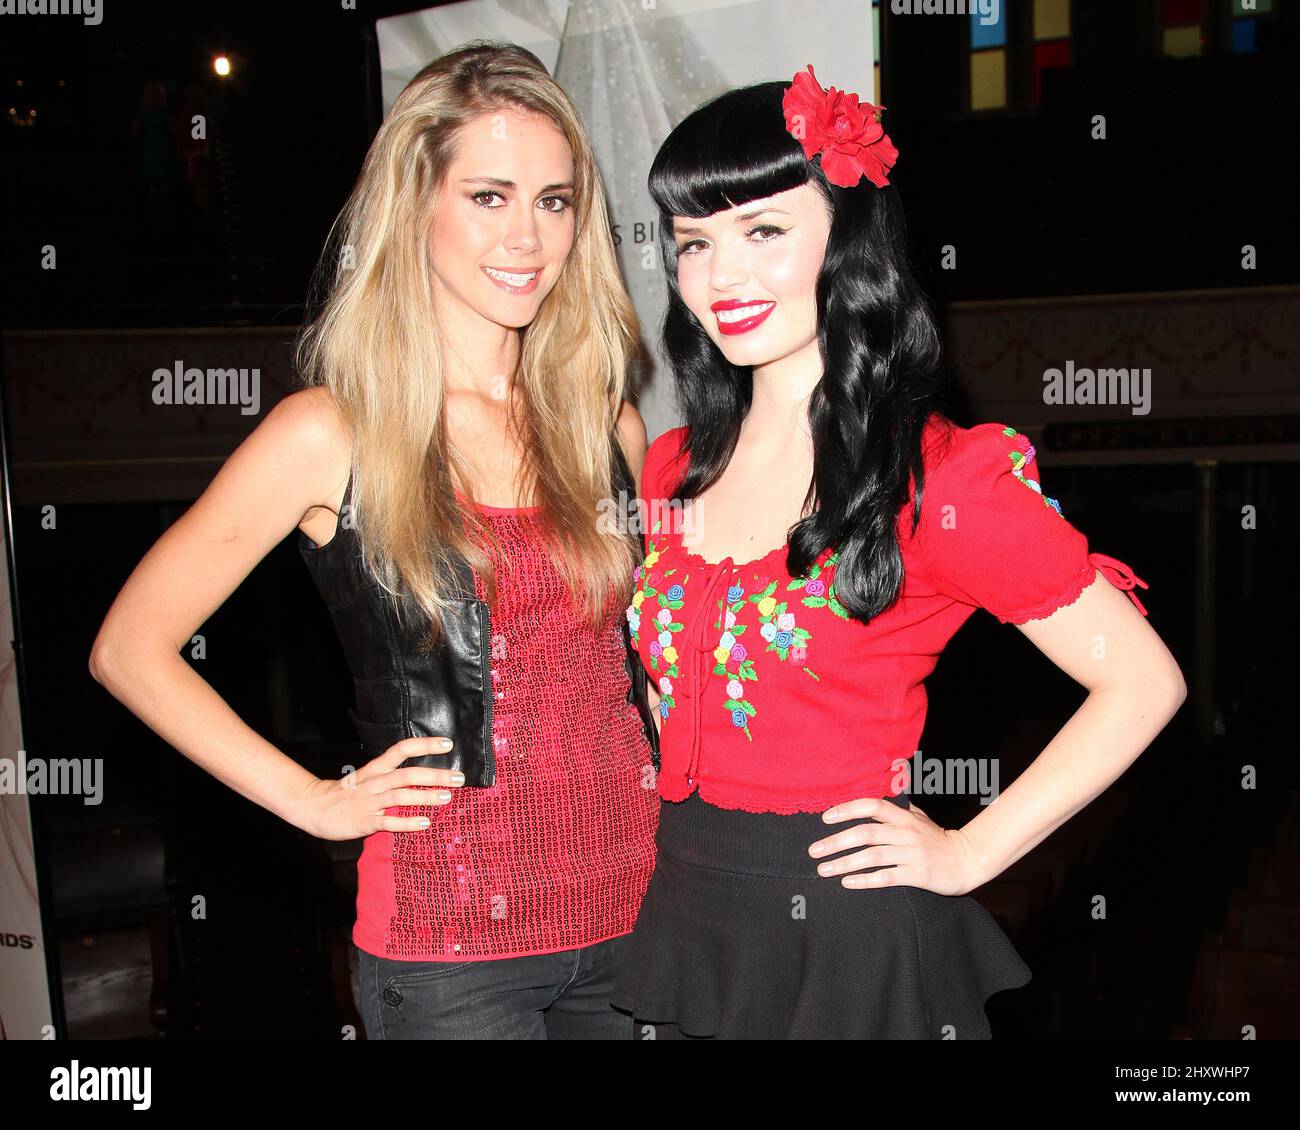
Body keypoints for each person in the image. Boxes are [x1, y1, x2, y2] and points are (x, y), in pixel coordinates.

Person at [90, 41, 659, 1040]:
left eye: (555, 200)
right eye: (489, 196)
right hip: (450, 952)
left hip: (640, 910)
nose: (529, 235)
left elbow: (635, 669)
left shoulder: (600, 424)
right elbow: (128, 648)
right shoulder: (330, 431)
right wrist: (311, 799)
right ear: (415, 206)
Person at [610, 65, 1186, 1039]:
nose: (723, 277)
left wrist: (968, 853)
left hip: (848, 932)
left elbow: (1144, 682)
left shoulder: (940, 480)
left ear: (846, 240)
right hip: (687, 908)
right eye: (693, 243)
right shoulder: (669, 467)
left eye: (763, 232)